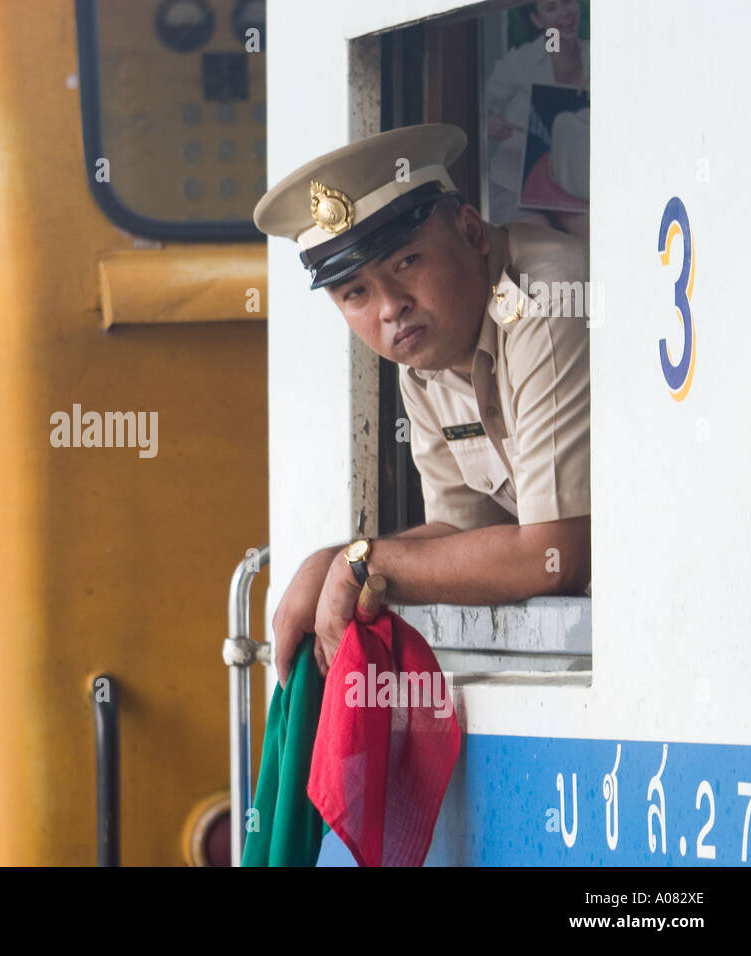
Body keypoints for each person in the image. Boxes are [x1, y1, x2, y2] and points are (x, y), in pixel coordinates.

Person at [253, 123, 591, 683]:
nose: (390, 308)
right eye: (356, 293)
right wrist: (333, 561)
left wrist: (366, 565)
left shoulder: (542, 302)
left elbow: (554, 555)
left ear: (471, 231)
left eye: (406, 262)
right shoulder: (427, 367)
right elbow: (462, 531)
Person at [485, 0, 589, 236]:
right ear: (536, 19)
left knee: (598, 236)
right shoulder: (520, 62)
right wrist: (489, 122)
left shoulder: (598, 55)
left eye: (567, 1)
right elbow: (477, 106)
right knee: (545, 249)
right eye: (551, 8)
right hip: (514, 185)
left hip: (573, 185)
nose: (564, 12)